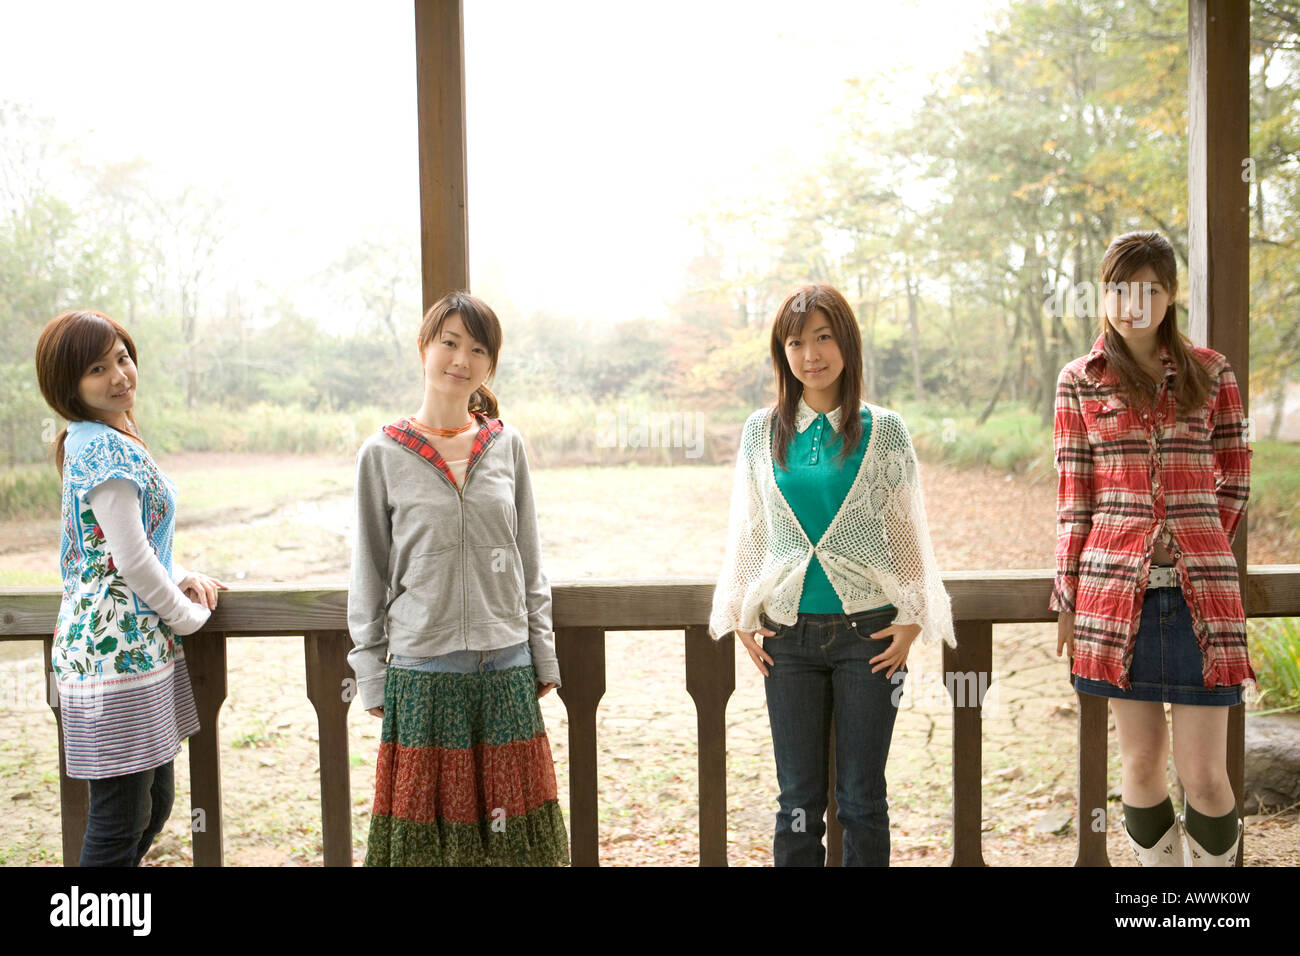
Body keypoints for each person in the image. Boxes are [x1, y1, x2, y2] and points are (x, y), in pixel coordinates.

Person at [709, 284, 955, 867]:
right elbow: (748, 531)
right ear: (782, 353)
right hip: (787, 638)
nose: (810, 354)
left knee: (863, 799)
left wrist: (913, 619)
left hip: (868, 634)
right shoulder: (759, 430)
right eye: (795, 342)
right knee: (796, 799)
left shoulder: (884, 430)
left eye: (823, 337)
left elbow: (905, 533)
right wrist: (742, 612)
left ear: (847, 342)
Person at [1051, 231, 1254, 867]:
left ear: (1170, 295)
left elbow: (1237, 474)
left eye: (1148, 289)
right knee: (1139, 765)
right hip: (1114, 598)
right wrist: (1067, 594)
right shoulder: (1080, 381)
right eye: (1117, 288)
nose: (1131, 303)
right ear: (1102, 294)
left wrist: (1197, 536)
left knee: (1207, 777)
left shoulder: (1212, 371)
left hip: (1204, 599)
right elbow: (1073, 496)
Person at [348, 290, 568, 866]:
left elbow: (530, 560)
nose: (460, 359)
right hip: (423, 673)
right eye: (449, 342)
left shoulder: (507, 445)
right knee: (429, 852)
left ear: (490, 365)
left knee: (515, 850)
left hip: (507, 667)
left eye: (477, 349)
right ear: (424, 348)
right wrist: (371, 675)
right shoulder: (381, 453)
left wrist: (542, 655)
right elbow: (368, 573)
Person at [35, 310, 224, 867]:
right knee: (120, 820)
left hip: (132, 650)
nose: (120, 374)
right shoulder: (100, 449)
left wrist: (182, 572)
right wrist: (188, 617)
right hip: (110, 655)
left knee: (154, 804)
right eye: (98, 368)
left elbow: (127, 543)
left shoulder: (105, 438)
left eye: (122, 357)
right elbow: (130, 560)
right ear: (69, 385)